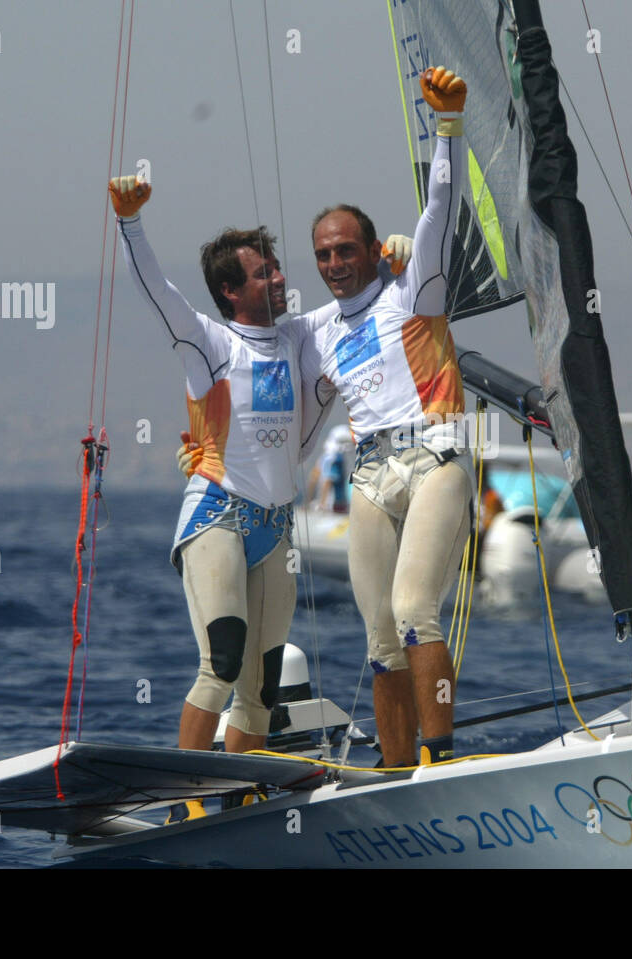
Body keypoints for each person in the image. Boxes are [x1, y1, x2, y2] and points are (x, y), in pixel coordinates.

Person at [109, 176, 325, 821]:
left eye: (278, 267)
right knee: (222, 665)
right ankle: (185, 801)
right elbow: (158, 293)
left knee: (260, 684)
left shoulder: (298, 337)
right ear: (232, 289)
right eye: (264, 273)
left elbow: (363, 311)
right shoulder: (210, 343)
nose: (280, 278)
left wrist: (392, 264)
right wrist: (130, 223)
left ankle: (235, 800)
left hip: (276, 528)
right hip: (217, 517)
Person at [294, 66, 472, 768]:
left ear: (374, 250)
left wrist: (448, 125)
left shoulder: (412, 290)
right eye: (323, 255)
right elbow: (243, 347)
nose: (335, 263)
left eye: (347, 250)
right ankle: (396, 772)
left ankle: (441, 756)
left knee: (414, 608)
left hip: (435, 460)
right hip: (369, 475)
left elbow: (439, 209)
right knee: (379, 637)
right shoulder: (316, 328)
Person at [308, 425, 355, 513]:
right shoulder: (335, 458)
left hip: (337, 458)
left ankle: (328, 504)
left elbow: (314, 478)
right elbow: (327, 479)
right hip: (333, 457)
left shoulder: (325, 457)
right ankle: (323, 503)